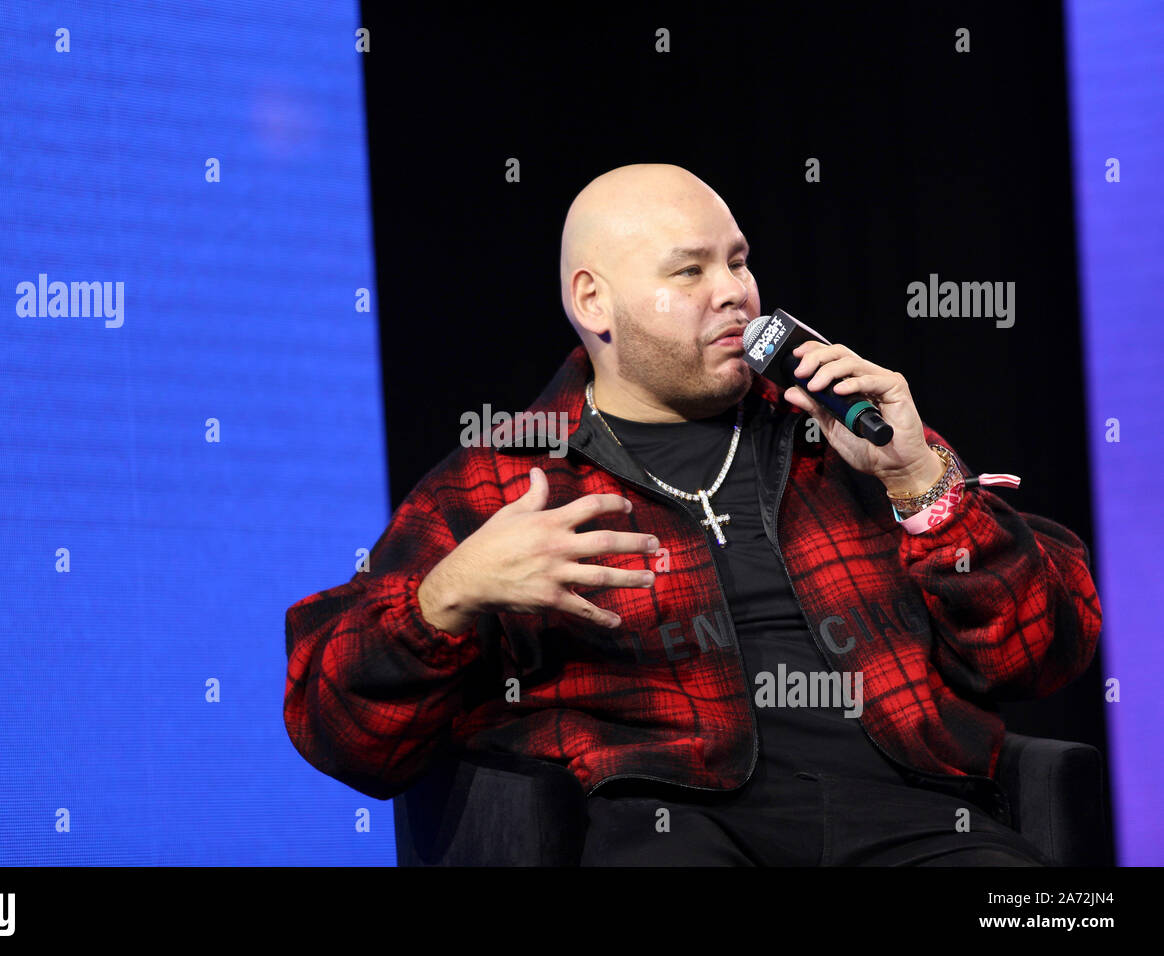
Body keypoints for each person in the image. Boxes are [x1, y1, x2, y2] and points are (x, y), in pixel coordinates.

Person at [284, 163, 1102, 866]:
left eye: (739, 262)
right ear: (594, 301)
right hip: (668, 821)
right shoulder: (504, 480)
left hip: (911, 815)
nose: (736, 295)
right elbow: (344, 732)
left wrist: (922, 482)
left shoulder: (843, 437)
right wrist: (448, 598)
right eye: (690, 272)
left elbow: (1041, 655)